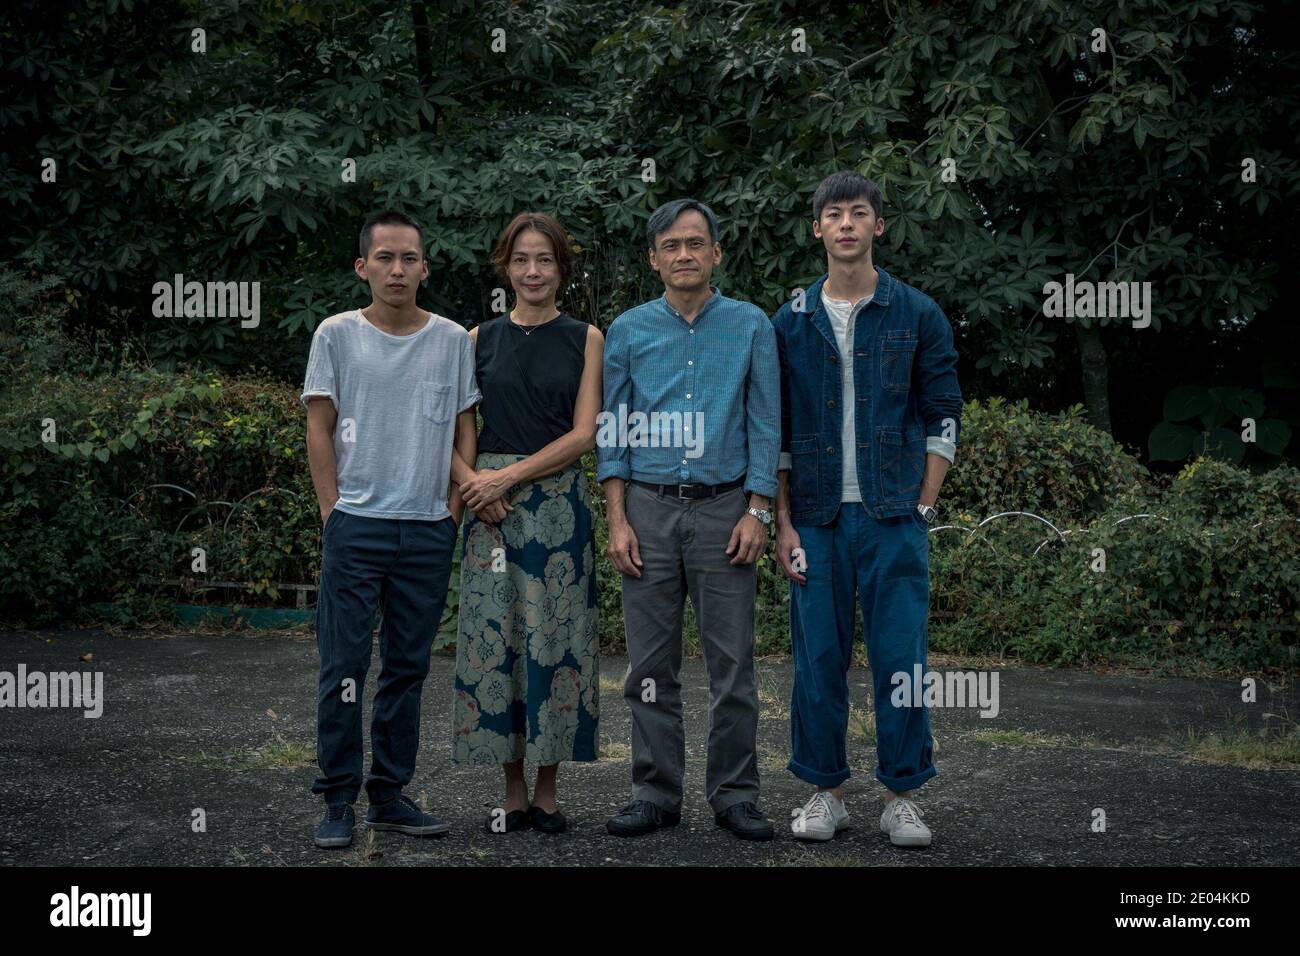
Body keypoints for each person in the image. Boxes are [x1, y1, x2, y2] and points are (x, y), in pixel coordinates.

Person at [772, 171, 963, 846]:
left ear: (878, 226)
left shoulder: (917, 312)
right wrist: (782, 521)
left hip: (893, 517)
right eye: (834, 214)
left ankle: (901, 797)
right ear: (817, 229)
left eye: (858, 213)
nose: (846, 224)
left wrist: (924, 505)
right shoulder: (792, 319)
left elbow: (944, 413)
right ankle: (825, 793)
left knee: (901, 660)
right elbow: (777, 429)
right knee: (817, 660)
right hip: (815, 518)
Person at [597, 198, 780, 841]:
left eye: (695, 243)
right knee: (649, 668)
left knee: (733, 665)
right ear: (654, 259)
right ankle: (654, 793)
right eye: (671, 246)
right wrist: (617, 519)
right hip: (647, 508)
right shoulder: (628, 330)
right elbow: (613, 432)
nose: (684, 255)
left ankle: (736, 795)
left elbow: (766, 423)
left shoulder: (751, 325)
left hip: (726, 510)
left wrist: (758, 510)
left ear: (716, 253)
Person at [301, 210, 480, 849]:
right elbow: (319, 425)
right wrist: (333, 512)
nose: (397, 269)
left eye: (408, 258)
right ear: (363, 267)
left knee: (407, 669)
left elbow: (464, 428)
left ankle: (389, 795)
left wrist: (451, 512)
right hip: (356, 526)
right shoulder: (336, 335)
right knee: (343, 666)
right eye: (384, 258)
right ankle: (337, 798)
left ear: (424, 268)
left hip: (427, 529)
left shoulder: (452, 339)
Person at [448, 212, 603, 835]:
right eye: (520, 260)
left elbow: (585, 434)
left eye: (544, 259)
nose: (532, 271)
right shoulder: (475, 339)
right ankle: (512, 792)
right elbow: (450, 429)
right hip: (489, 512)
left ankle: (547, 793)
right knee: (499, 643)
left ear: (561, 268)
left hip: (558, 507)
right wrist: (473, 484)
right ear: (505, 268)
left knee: (555, 643)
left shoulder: (587, 338)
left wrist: (506, 478)